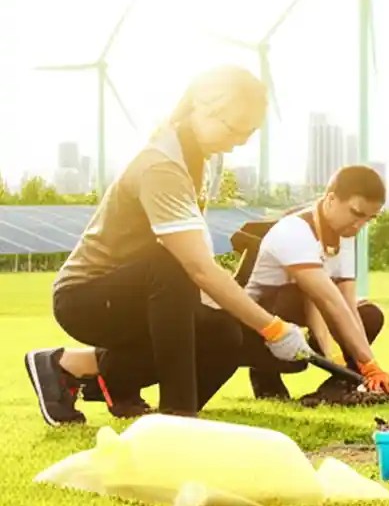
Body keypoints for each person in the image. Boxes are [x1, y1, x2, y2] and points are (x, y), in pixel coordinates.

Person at [24, 66, 314, 425]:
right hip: (87, 297)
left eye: (249, 131)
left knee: (226, 334)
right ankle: (179, 417)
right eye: (234, 127)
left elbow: (198, 265)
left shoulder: (203, 161)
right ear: (200, 106)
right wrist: (271, 327)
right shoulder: (162, 166)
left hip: (148, 291)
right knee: (173, 266)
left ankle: (84, 372)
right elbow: (196, 267)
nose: (241, 140)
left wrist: (246, 325)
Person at [239, 165, 389, 399]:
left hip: (310, 311)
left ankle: (343, 384)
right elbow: (326, 300)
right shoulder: (294, 230)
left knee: (369, 315)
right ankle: (265, 374)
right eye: (356, 213)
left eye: (369, 219)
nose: (360, 225)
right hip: (258, 322)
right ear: (331, 199)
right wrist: (360, 359)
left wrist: (367, 364)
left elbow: (346, 303)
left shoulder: (346, 235)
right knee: (296, 307)